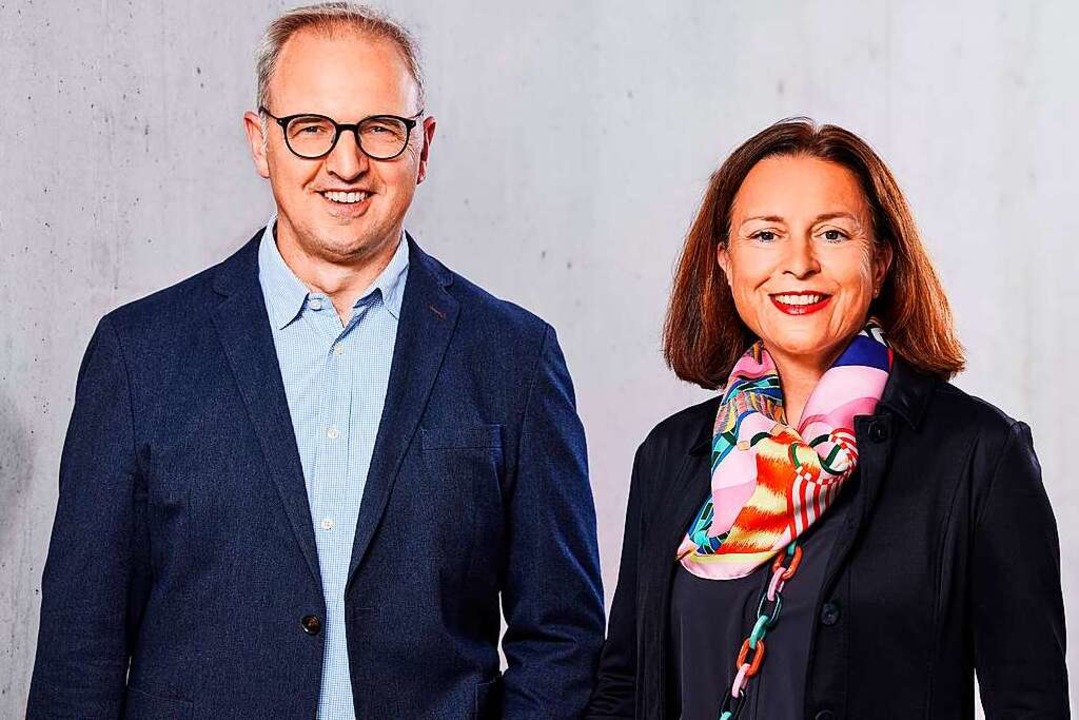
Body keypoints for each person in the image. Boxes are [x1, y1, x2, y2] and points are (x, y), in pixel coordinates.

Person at [28, 3, 604, 718]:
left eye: (380, 129)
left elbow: (563, 636)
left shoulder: (514, 357)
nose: (347, 162)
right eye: (310, 129)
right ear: (260, 141)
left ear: (422, 147)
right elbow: (78, 649)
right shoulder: (138, 354)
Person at [586, 118, 1068, 719]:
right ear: (725, 261)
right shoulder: (670, 453)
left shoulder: (977, 455)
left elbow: (1029, 705)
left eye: (833, 234)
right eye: (766, 235)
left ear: (881, 261)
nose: (798, 264)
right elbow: (624, 687)